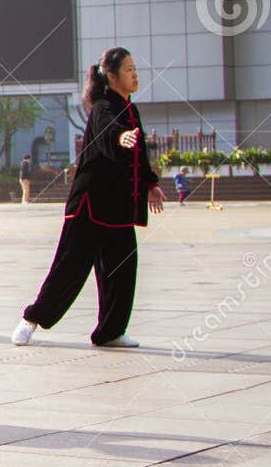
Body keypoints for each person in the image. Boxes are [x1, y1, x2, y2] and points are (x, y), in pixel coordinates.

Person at [13, 47, 163, 349]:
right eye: (129, 69)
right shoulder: (102, 108)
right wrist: (121, 138)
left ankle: (110, 332)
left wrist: (150, 184)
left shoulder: (131, 110)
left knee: (122, 272)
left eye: (136, 68)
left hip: (117, 207)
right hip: (90, 206)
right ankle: (30, 320)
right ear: (111, 76)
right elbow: (110, 134)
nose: (135, 74)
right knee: (69, 269)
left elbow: (140, 157)